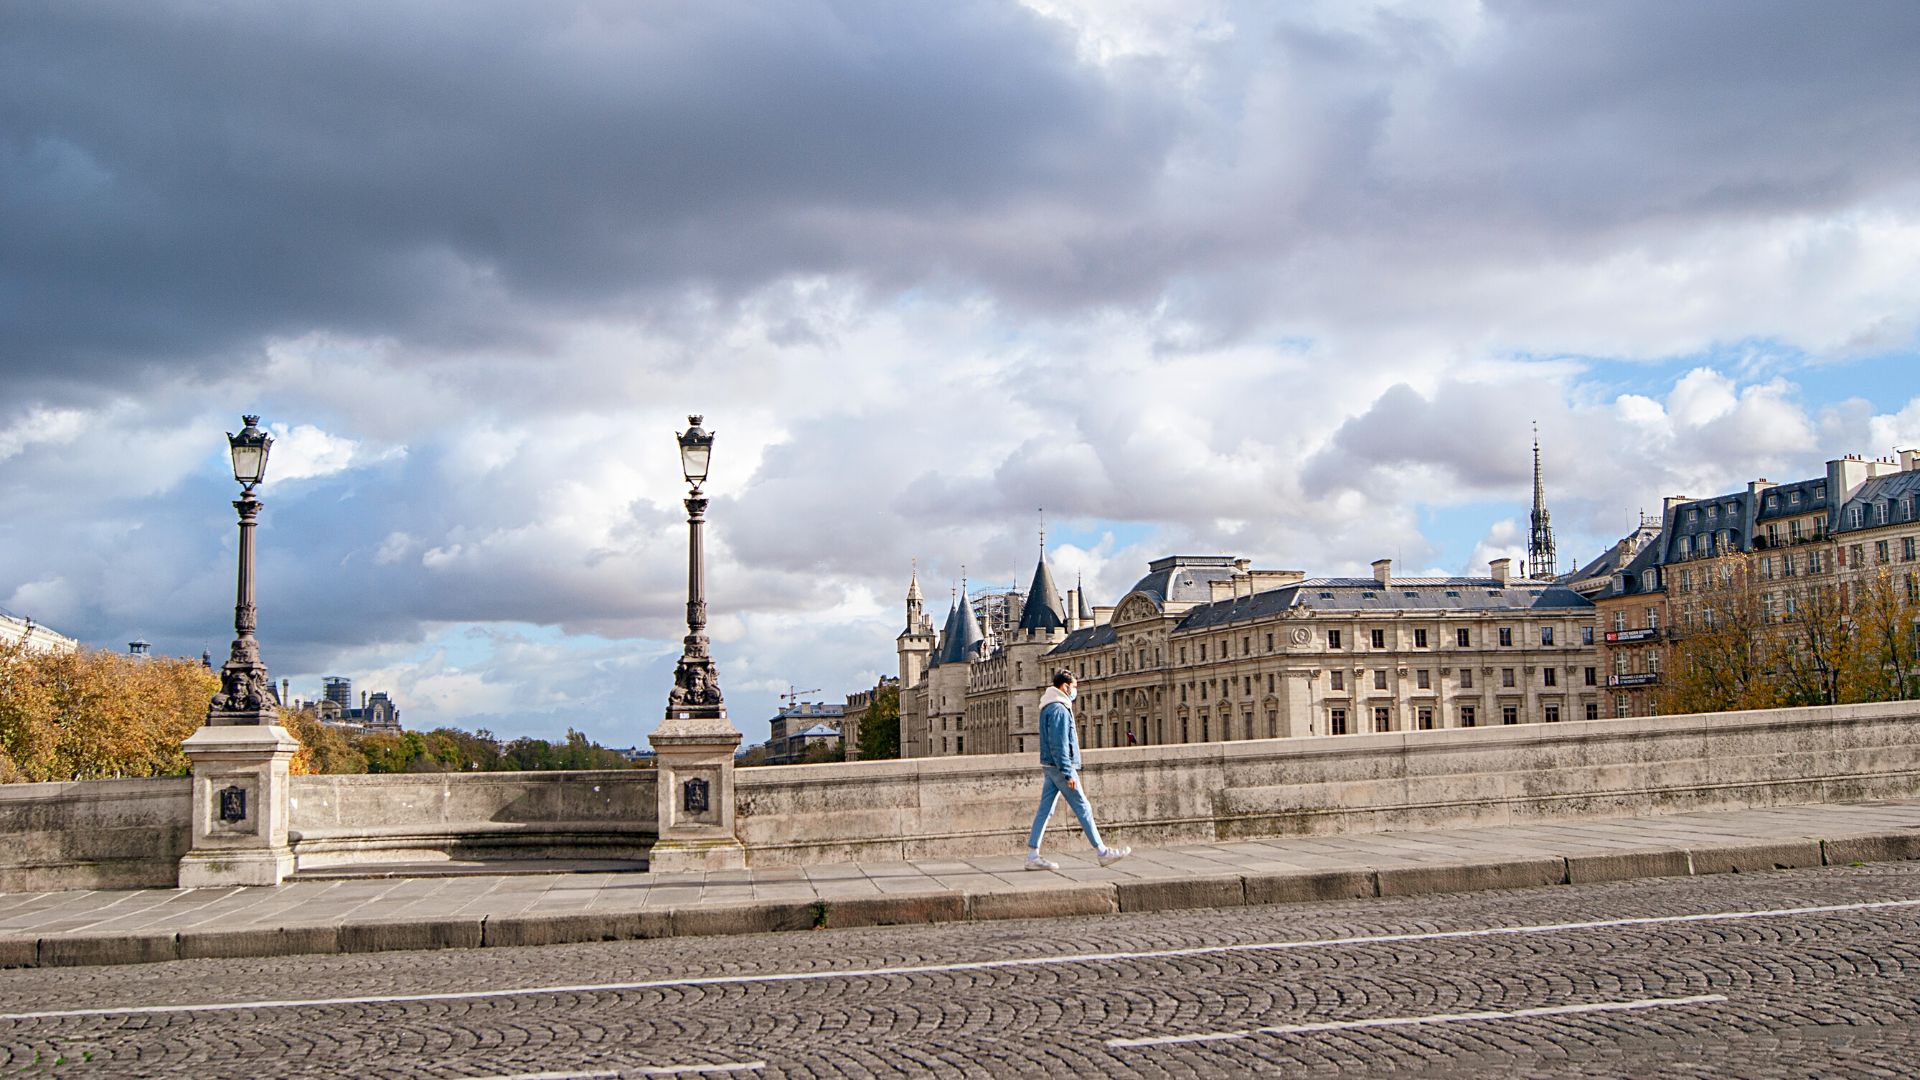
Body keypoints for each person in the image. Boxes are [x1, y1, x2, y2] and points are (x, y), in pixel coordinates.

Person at [1026, 669, 1130, 870]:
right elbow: (1060, 744)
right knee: (1083, 807)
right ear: (1064, 687)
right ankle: (1102, 852)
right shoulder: (1059, 709)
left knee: (1045, 811)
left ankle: (1032, 855)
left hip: (1050, 766)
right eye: (1074, 687)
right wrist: (1067, 772)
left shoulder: (1048, 706)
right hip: (1060, 768)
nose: (1075, 692)